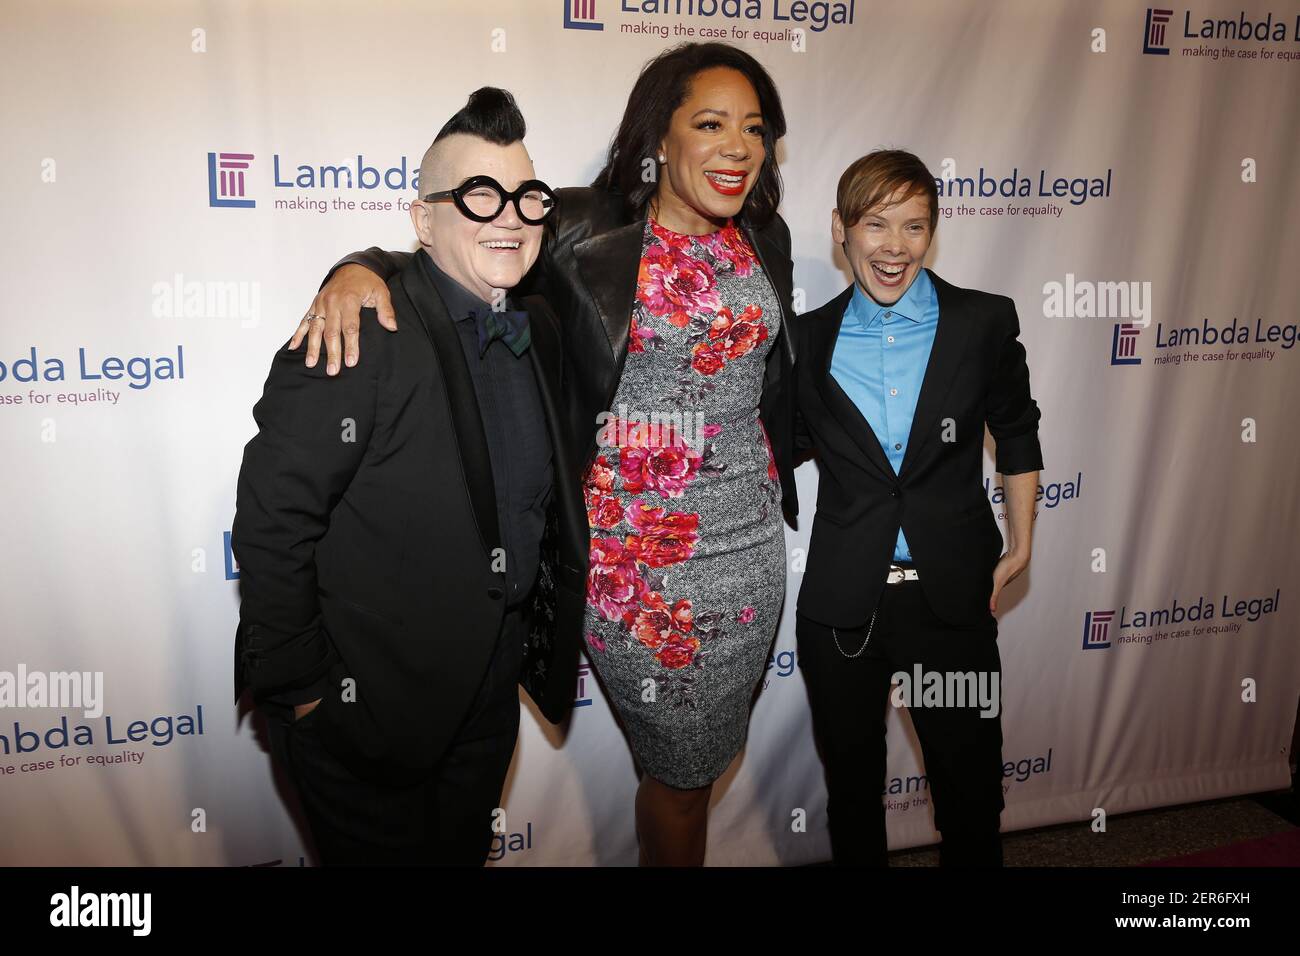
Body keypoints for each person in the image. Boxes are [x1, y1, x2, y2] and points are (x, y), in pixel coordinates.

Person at [289, 42, 799, 866]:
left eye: (755, 128)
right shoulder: (579, 225)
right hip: (638, 566)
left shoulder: (763, 237)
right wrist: (357, 267)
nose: (738, 146)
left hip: (748, 548)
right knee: (676, 777)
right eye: (710, 123)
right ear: (658, 138)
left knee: (701, 771)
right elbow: (464, 238)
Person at [232, 88, 587, 865]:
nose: (510, 216)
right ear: (423, 219)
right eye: (478, 195)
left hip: (488, 695)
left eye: (527, 197)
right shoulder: (362, 325)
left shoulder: (544, 325)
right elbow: (271, 518)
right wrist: (304, 691)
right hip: (363, 705)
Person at [792, 149, 1043, 866]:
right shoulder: (806, 341)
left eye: (914, 226)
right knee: (853, 797)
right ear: (841, 229)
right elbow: (773, 449)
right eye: (875, 224)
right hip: (843, 609)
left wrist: (1020, 546)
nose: (894, 247)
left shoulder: (981, 322)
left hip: (951, 603)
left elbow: (1018, 429)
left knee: (969, 795)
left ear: (933, 232)